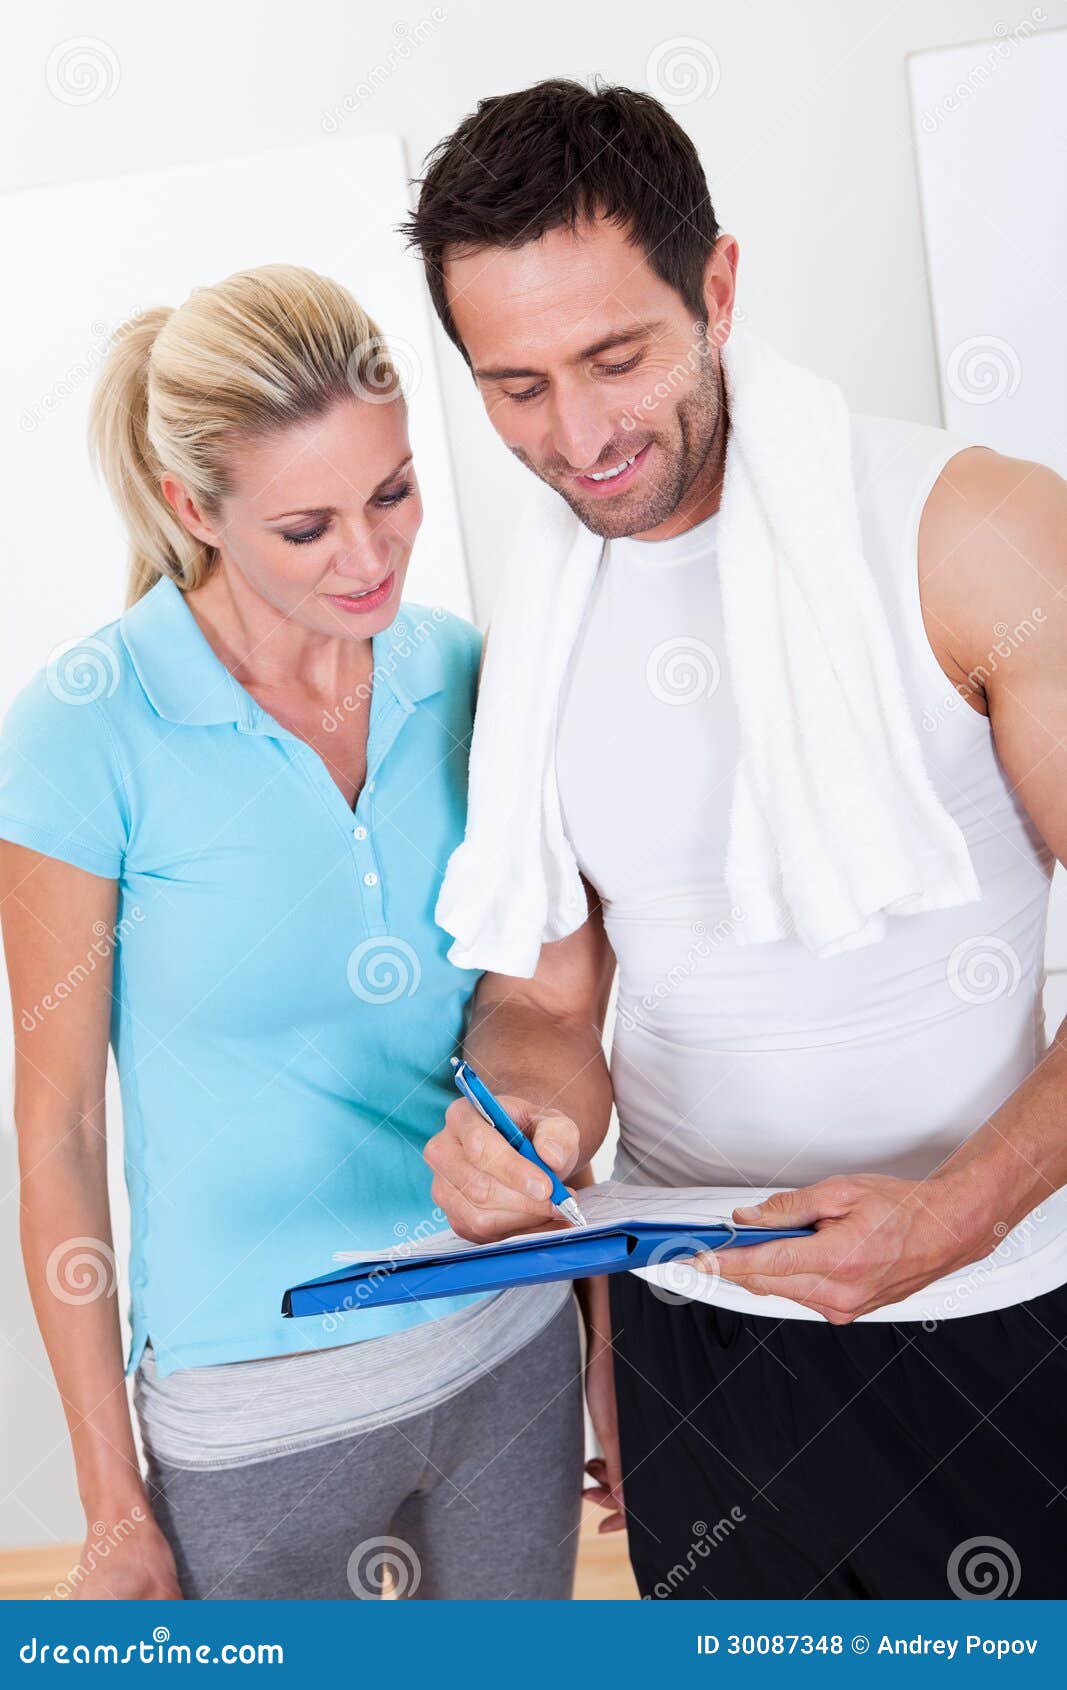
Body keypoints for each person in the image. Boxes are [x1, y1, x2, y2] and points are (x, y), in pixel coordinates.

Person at [406, 81, 1067, 1598]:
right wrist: (527, 1130)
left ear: (716, 286)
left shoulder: (978, 536)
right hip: (695, 1340)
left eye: (615, 358)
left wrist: (963, 1210)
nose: (576, 437)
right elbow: (547, 1003)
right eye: (514, 387)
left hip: (998, 1309)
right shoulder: (544, 626)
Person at [0, 264, 583, 1601]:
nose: (370, 558)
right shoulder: (85, 728)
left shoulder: (462, 670)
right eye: (307, 528)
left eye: (393, 494)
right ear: (193, 509)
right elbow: (60, 1133)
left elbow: (541, 1016)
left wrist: (596, 1331)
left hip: (508, 1351)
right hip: (257, 1417)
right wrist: (109, 1500)